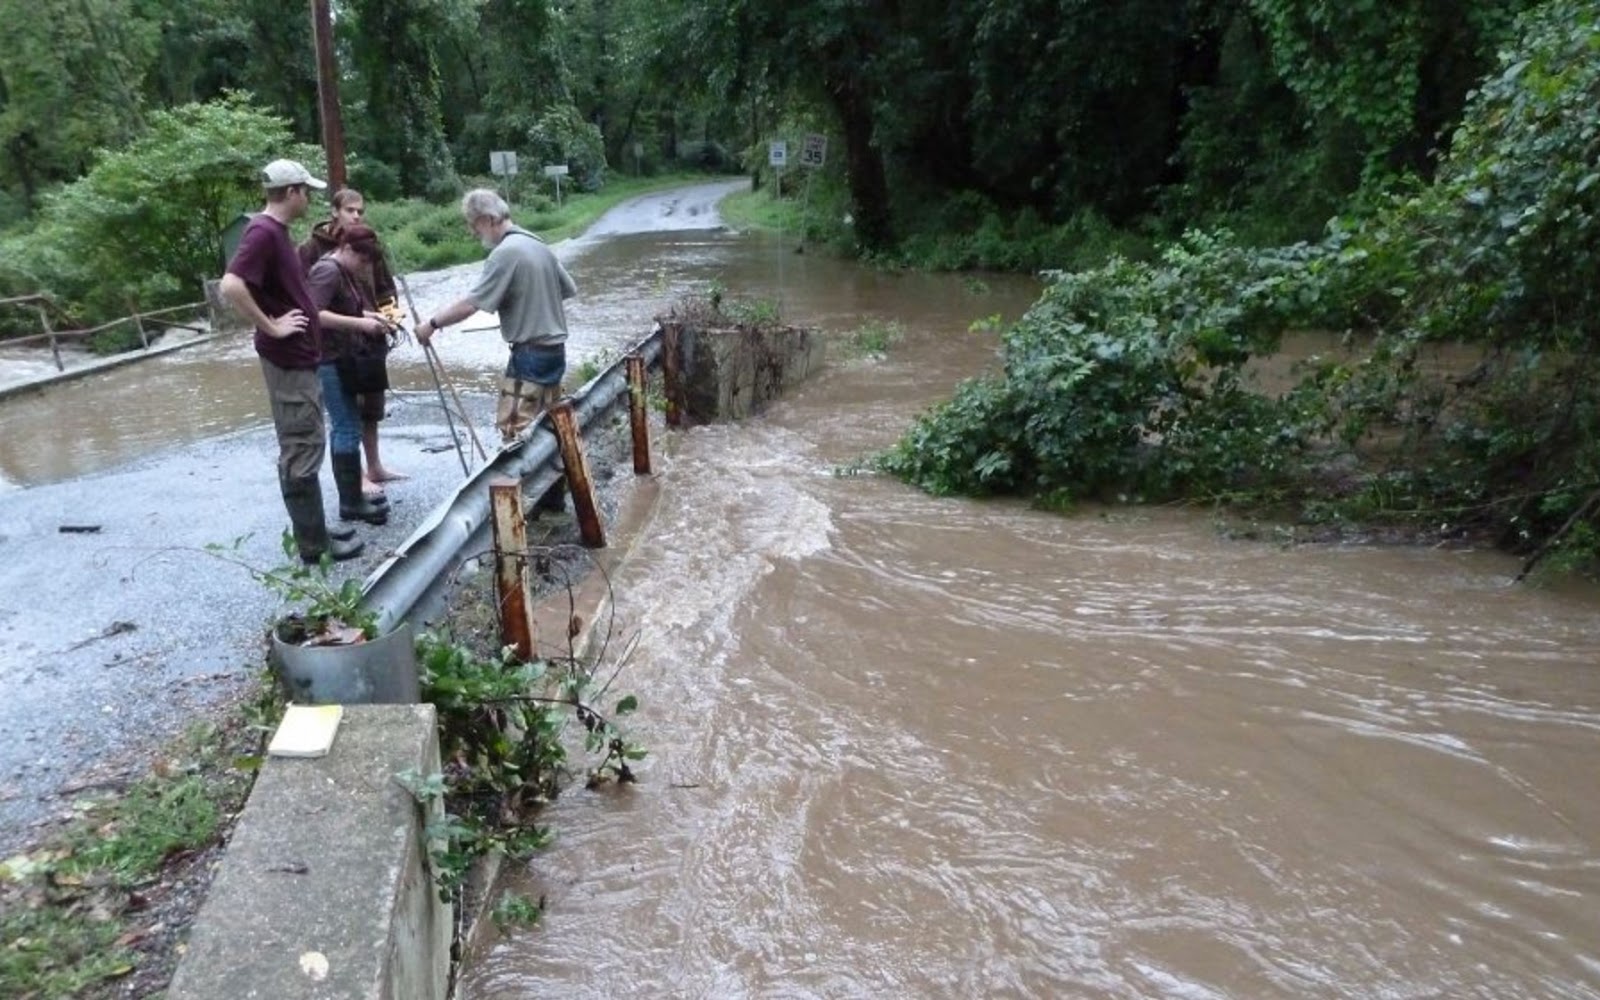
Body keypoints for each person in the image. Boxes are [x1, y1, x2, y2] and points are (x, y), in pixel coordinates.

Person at [218, 159, 362, 563]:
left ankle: (314, 529)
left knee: (308, 436)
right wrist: (271, 325)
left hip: (298, 356)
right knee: (302, 442)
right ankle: (314, 545)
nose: (310, 198)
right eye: (307, 191)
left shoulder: (275, 232)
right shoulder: (263, 231)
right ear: (292, 192)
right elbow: (232, 284)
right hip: (286, 357)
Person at [414, 189, 577, 443]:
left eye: (473, 224)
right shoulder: (537, 243)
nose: (472, 231)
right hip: (556, 351)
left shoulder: (504, 253)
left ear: (488, 219)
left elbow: (470, 304)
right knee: (550, 427)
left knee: (513, 431)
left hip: (530, 355)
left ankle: (519, 482)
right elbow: (568, 289)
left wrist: (432, 324)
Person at [300, 188, 404, 501]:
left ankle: (373, 468)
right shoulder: (315, 255)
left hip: (367, 343)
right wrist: (360, 322)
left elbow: (384, 289)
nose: (356, 215)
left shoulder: (365, 247)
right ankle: (353, 488)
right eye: (350, 210)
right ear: (334, 212)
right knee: (346, 421)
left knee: (370, 410)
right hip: (336, 352)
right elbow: (313, 309)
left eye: (360, 210)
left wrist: (386, 316)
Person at [306, 222, 390, 527]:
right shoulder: (327, 271)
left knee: (349, 424)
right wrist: (361, 325)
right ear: (348, 250)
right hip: (329, 361)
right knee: (345, 428)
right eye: (363, 261)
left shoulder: (342, 271)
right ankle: (351, 502)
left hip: (343, 358)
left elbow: (347, 309)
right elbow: (314, 314)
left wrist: (371, 315)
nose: (364, 267)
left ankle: (353, 496)